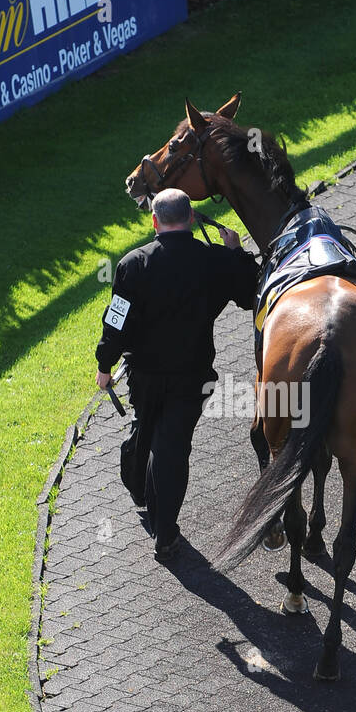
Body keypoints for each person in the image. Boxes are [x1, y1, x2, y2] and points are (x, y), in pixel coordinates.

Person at [95, 188, 259, 560]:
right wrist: (235, 252)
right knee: (171, 450)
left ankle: (146, 499)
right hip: (191, 377)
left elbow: (115, 322)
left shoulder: (132, 265)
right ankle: (165, 534)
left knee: (149, 434)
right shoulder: (214, 261)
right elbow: (251, 293)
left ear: (154, 221)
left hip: (145, 377)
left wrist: (105, 365)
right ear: (190, 219)